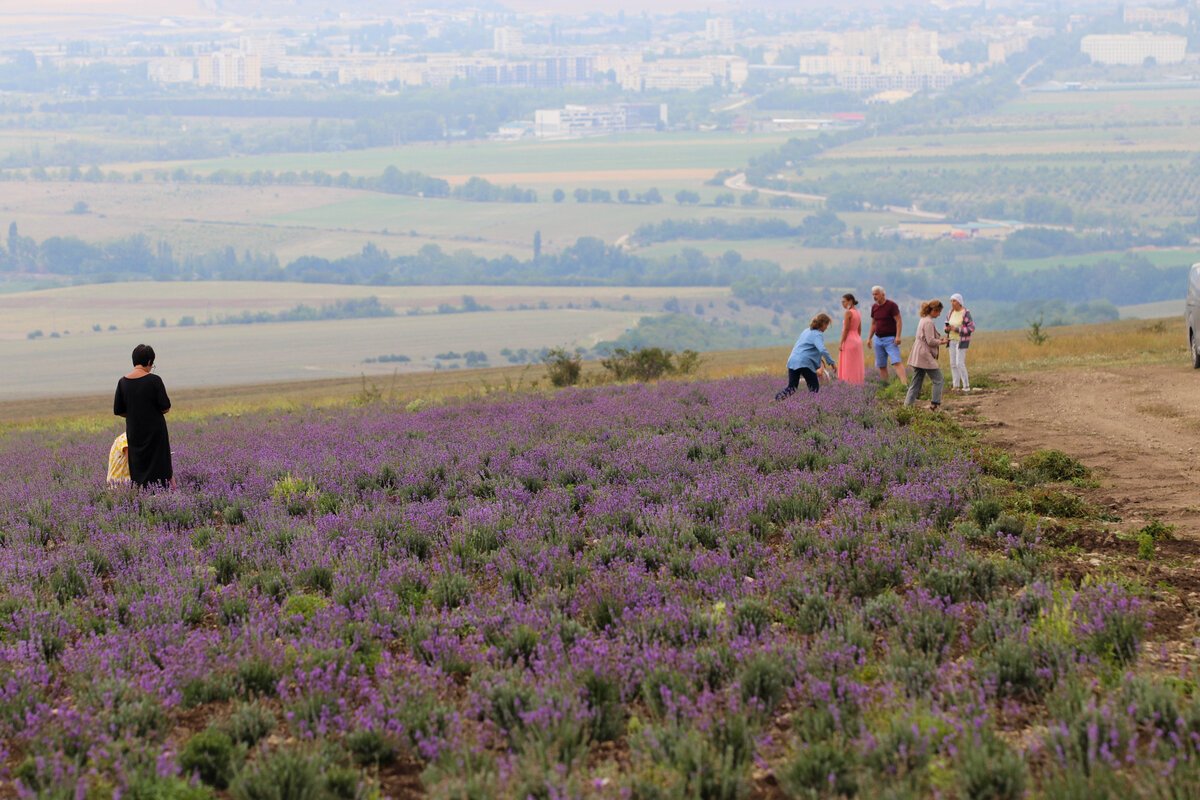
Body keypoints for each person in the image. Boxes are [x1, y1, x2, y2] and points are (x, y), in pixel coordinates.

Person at [113, 344, 173, 488]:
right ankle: (161, 496)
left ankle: (142, 495)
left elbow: (118, 410)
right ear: (149, 362)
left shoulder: (123, 382)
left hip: (135, 431)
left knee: (138, 465)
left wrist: (135, 413)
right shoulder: (154, 380)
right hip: (155, 431)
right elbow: (165, 407)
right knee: (160, 466)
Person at [776, 313, 837, 399]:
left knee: (791, 388)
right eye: (827, 325)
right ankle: (815, 408)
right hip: (804, 363)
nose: (827, 327)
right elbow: (822, 349)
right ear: (823, 324)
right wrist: (832, 362)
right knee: (814, 388)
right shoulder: (817, 334)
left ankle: (776, 400)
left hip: (793, 360)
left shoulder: (806, 331)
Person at [905, 300, 950, 410]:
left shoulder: (923, 319)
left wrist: (938, 339)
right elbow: (930, 341)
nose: (939, 315)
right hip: (924, 355)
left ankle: (907, 406)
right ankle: (935, 404)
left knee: (916, 382)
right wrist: (942, 342)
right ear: (934, 310)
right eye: (938, 312)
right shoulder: (929, 322)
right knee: (938, 379)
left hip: (918, 353)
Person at [866, 285, 907, 386]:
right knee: (881, 365)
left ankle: (905, 385)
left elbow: (898, 320)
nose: (874, 296)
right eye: (873, 294)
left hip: (890, 339)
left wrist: (898, 336)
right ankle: (886, 386)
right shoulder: (874, 307)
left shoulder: (892, 305)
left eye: (876, 294)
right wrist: (869, 338)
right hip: (878, 339)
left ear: (883, 294)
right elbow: (873, 323)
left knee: (896, 362)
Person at [947, 292, 975, 392]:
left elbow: (971, 328)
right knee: (953, 363)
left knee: (960, 363)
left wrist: (958, 330)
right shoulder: (950, 312)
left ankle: (966, 386)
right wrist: (947, 329)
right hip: (951, 340)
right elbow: (948, 324)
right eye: (951, 301)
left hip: (961, 341)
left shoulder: (965, 313)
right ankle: (956, 385)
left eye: (954, 301)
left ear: (959, 302)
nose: (952, 303)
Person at [837, 293, 865, 385]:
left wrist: (841, 342)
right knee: (856, 365)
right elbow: (859, 329)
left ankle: (849, 384)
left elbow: (846, 329)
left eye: (844, 302)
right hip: (857, 339)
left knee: (848, 365)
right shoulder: (857, 312)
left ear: (850, 301)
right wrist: (857, 339)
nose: (843, 304)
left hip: (849, 340)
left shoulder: (848, 312)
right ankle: (858, 384)